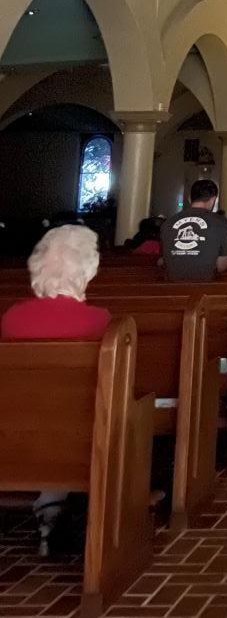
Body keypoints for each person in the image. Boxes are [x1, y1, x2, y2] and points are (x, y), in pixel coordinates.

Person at [1, 226, 112, 556]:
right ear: (88, 271)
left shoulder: (12, 319)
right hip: (79, 433)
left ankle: (50, 506)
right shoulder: (100, 321)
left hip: (15, 432)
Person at [160, 179, 227, 281]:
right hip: (204, 290)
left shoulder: (168, 222)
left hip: (172, 290)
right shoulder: (220, 222)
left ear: (190, 199)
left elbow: (164, 259)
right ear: (213, 199)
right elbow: (223, 263)